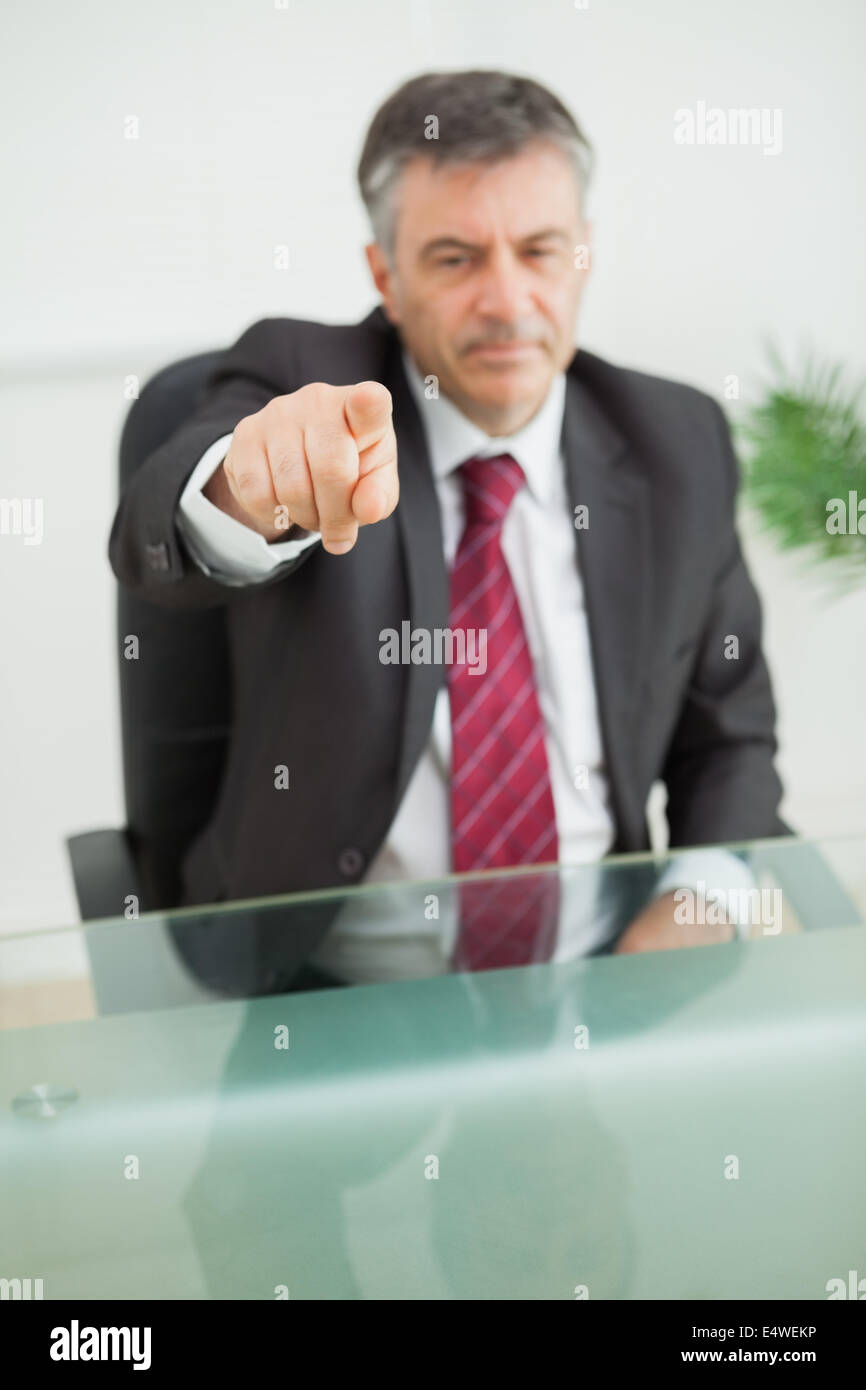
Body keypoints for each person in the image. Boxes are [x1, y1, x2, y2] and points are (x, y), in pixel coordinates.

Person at [109, 69, 789, 973]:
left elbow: (730, 734)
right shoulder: (301, 378)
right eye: (456, 259)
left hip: (606, 975)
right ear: (385, 276)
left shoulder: (679, 443)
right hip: (326, 997)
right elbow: (166, 525)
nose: (508, 303)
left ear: (582, 254)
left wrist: (695, 903)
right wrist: (254, 484)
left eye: (541, 250)